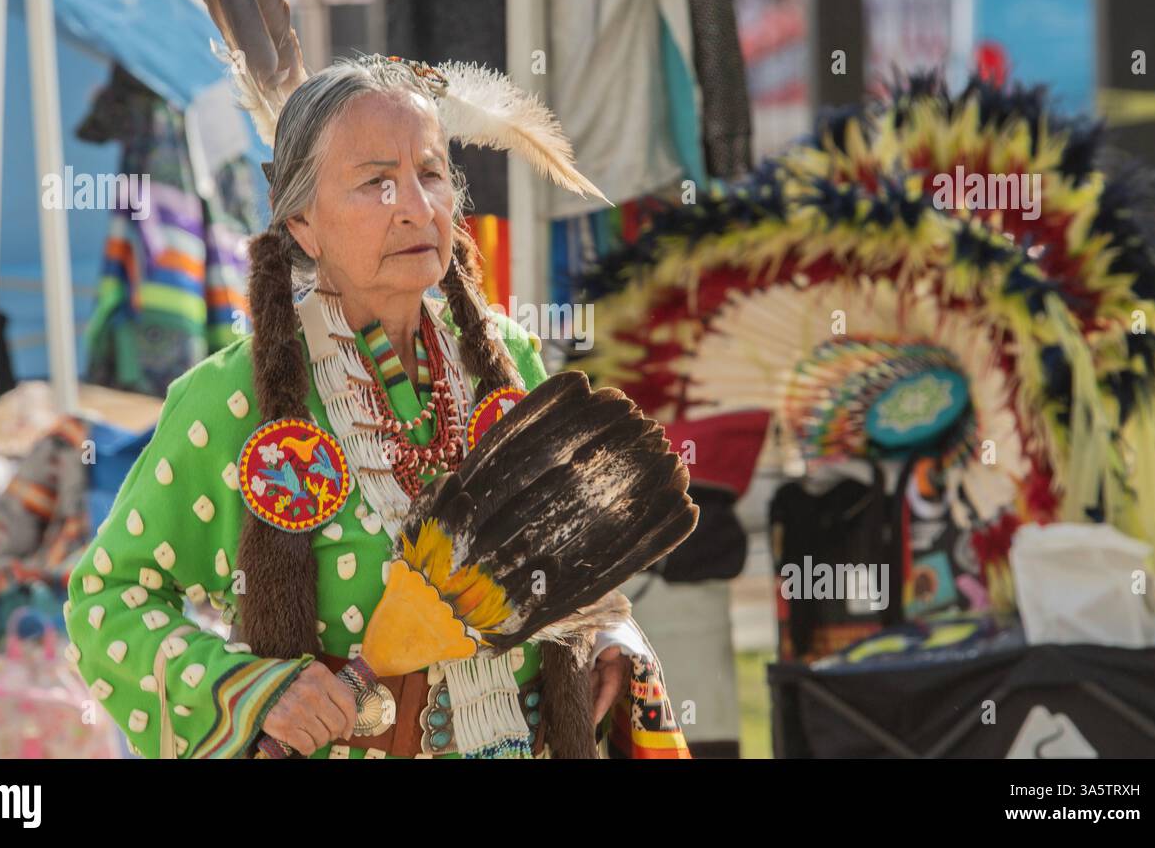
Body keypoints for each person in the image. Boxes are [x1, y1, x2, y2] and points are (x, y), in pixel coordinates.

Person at [64, 49, 690, 758]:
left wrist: (608, 634)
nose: (417, 210)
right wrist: (249, 689)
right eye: (376, 183)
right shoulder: (233, 399)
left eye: (429, 175)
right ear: (302, 222)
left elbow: (564, 557)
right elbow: (106, 602)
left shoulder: (504, 361)